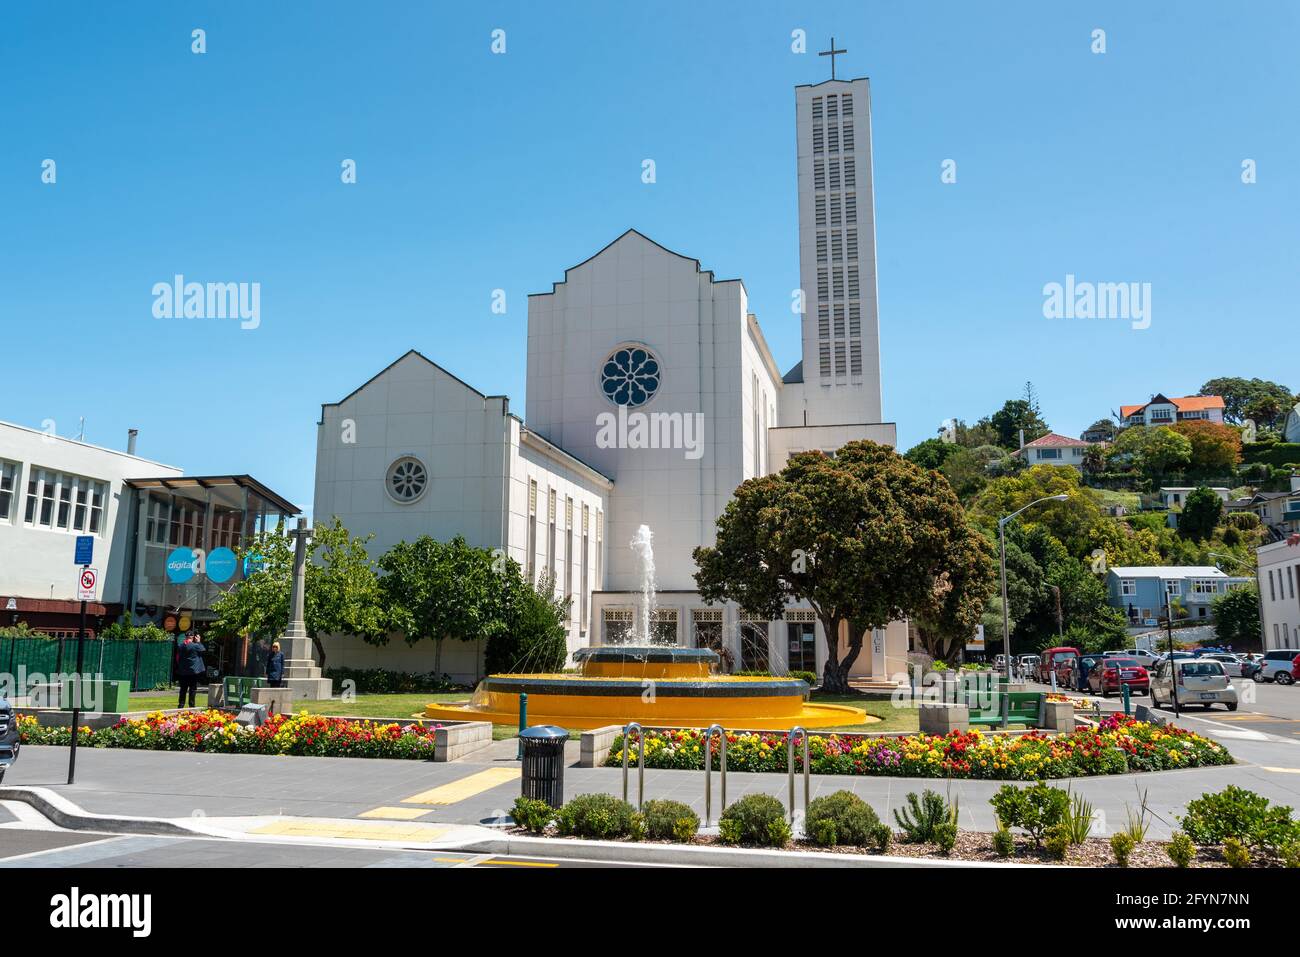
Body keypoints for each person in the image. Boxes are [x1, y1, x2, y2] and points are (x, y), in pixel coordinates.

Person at [176, 632, 207, 708]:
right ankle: (191, 705)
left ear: (186, 637)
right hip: (193, 671)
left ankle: (181, 705)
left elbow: (178, 658)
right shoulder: (195, 646)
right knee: (192, 689)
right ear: (192, 637)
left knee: (183, 689)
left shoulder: (181, 646)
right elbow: (203, 649)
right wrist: (199, 641)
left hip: (183, 671)